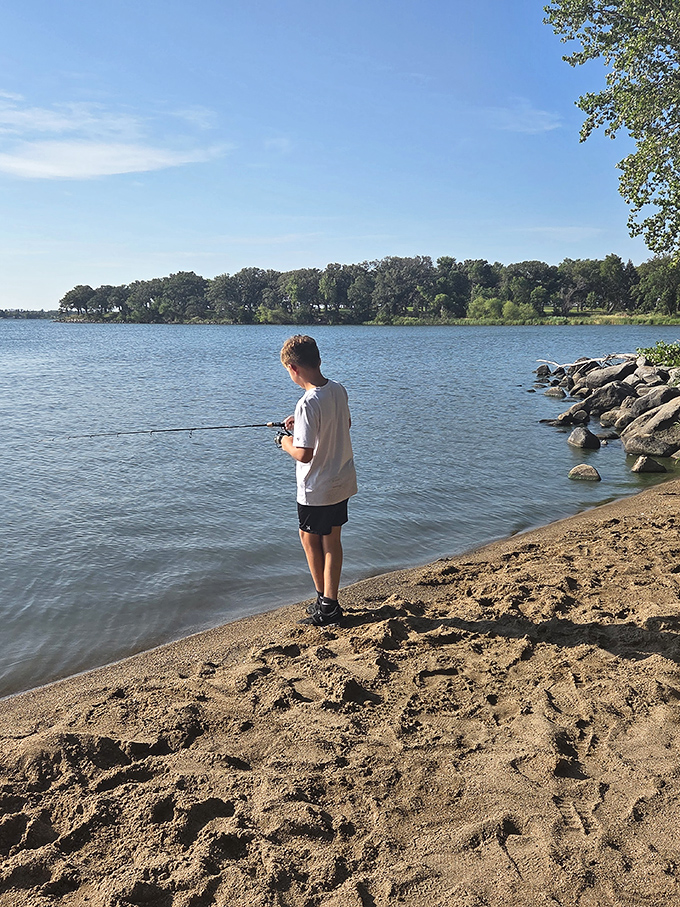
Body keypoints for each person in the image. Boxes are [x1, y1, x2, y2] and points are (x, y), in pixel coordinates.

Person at [277, 334, 357, 625]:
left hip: (317, 487)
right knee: (332, 539)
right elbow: (343, 423)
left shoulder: (307, 403)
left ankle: (325, 603)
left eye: (288, 371)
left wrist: (283, 442)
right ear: (318, 360)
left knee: (309, 539)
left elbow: (304, 454)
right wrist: (300, 423)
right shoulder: (337, 389)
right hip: (342, 479)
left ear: (293, 368)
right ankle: (330, 602)